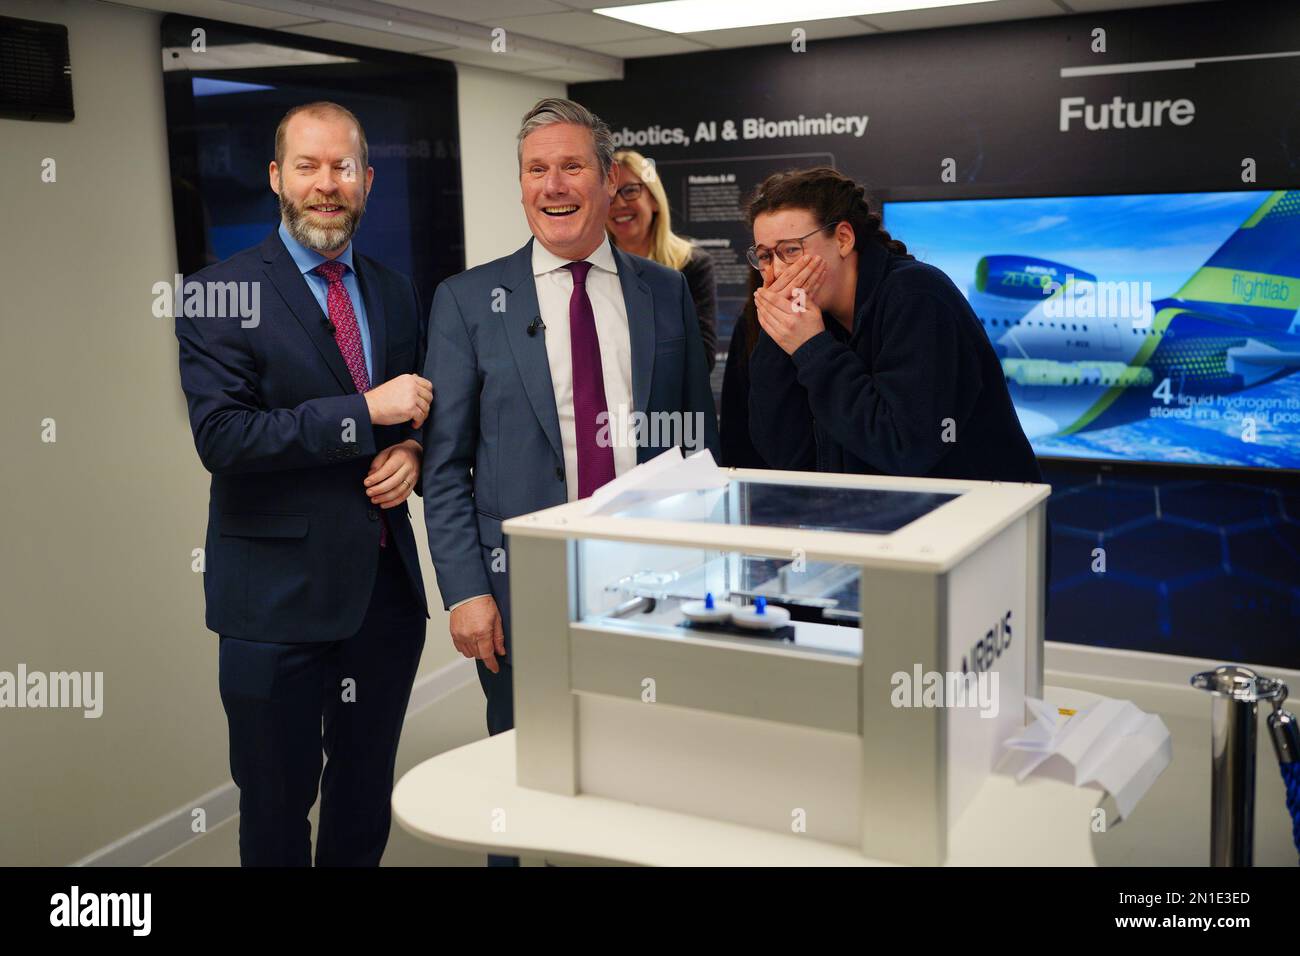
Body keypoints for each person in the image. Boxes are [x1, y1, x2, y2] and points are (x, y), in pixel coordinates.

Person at [175, 101, 432, 867]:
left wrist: (412, 447)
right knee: (279, 805)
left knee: (362, 796)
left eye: (343, 167)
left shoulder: (391, 290)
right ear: (276, 178)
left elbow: (414, 410)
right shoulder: (218, 294)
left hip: (381, 598)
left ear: (367, 179)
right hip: (274, 606)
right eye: (308, 166)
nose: (327, 184)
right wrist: (361, 412)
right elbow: (223, 439)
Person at [422, 97, 720, 741]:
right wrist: (466, 592)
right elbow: (443, 467)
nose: (552, 186)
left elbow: (698, 443)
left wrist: (710, 569)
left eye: (571, 167)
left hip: (653, 581)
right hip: (521, 589)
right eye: (536, 170)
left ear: (610, 179)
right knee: (526, 761)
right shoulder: (468, 302)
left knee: (655, 748)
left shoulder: (663, 292)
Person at [745, 166, 1041, 484]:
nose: (776, 272)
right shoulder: (809, 315)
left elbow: (904, 448)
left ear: (843, 239)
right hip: (864, 520)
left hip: (978, 522)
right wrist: (780, 336)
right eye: (764, 256)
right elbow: (783, 454)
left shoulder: (918, 295)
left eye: (790, 250)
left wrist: (812, 348)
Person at [607, 149, 719, 372]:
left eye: (630, 190)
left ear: (654, 200)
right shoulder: (590, 269)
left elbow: (702, 357)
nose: (619, 204)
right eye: (609, 195)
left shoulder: (691, 264)